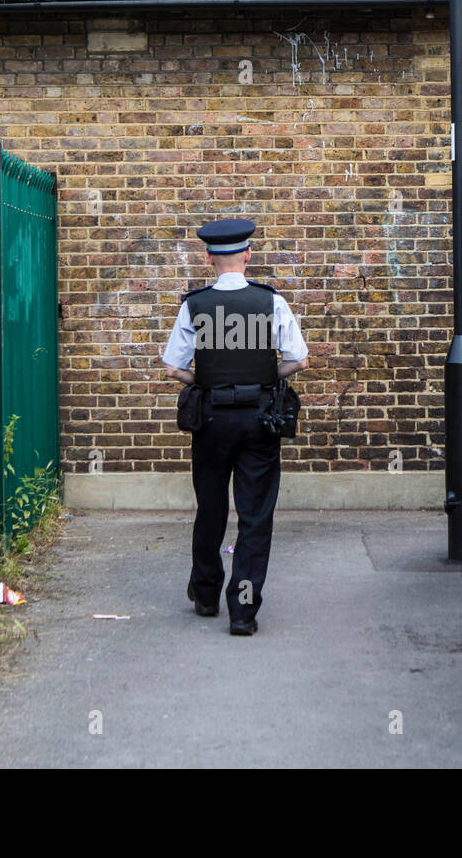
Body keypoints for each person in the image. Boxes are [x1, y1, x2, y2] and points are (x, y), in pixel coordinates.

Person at [161, 218, 309, 635]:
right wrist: (265, 377)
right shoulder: (271, 301)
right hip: (259, 419)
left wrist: (205, 383)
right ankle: (243, 611)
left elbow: (174, 367)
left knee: (210, 508)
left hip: (210, 420)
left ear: (209, 258)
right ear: (247, 254)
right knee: (255, 515)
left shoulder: (194, 303)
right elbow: (299, 359)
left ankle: (206, 595)